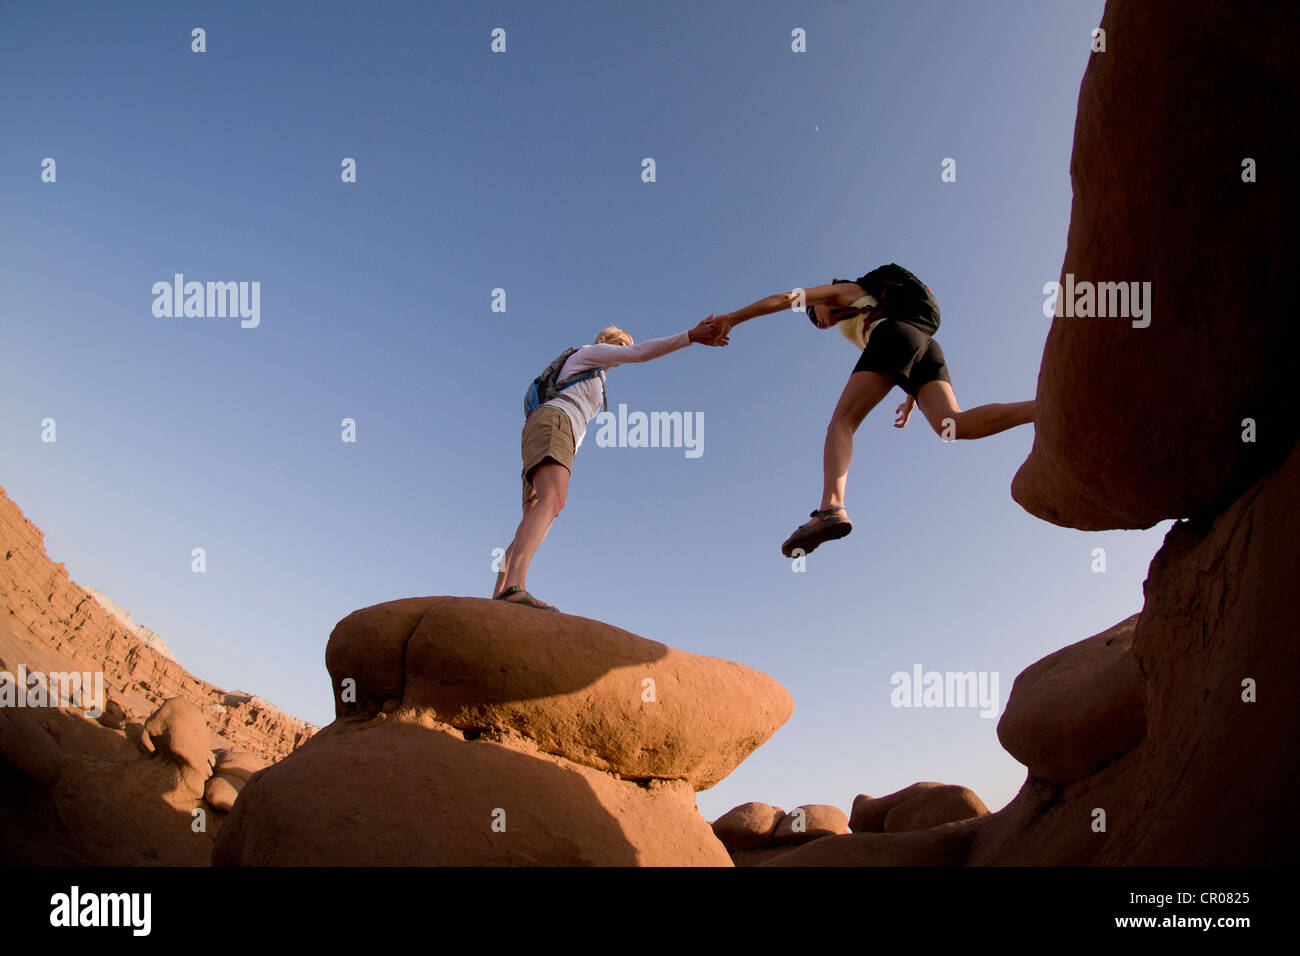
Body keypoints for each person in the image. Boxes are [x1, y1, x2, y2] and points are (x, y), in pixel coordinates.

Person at [704, 263, 1035, 557]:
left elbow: (786, 299)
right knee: (953, 424)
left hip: (895, 337)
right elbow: (904, 347)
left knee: (842, 422)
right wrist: (911, 395)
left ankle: (830, 507)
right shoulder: (870, 308)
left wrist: (733, 318)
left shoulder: (840, 293)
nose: (817, 324)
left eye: (813, 316)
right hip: (924, 345)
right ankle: (1041, 408)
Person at [493, 318, 723, 610]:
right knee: (554, 500)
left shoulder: (594, 374)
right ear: (604, 342)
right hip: (553, 425)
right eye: (621, 344)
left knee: (538, 513)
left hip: (545, 428)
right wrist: (690, 336)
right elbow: (641, 354)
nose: (626, 350)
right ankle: (515, 586)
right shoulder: (588, 354)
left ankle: (499, 592)